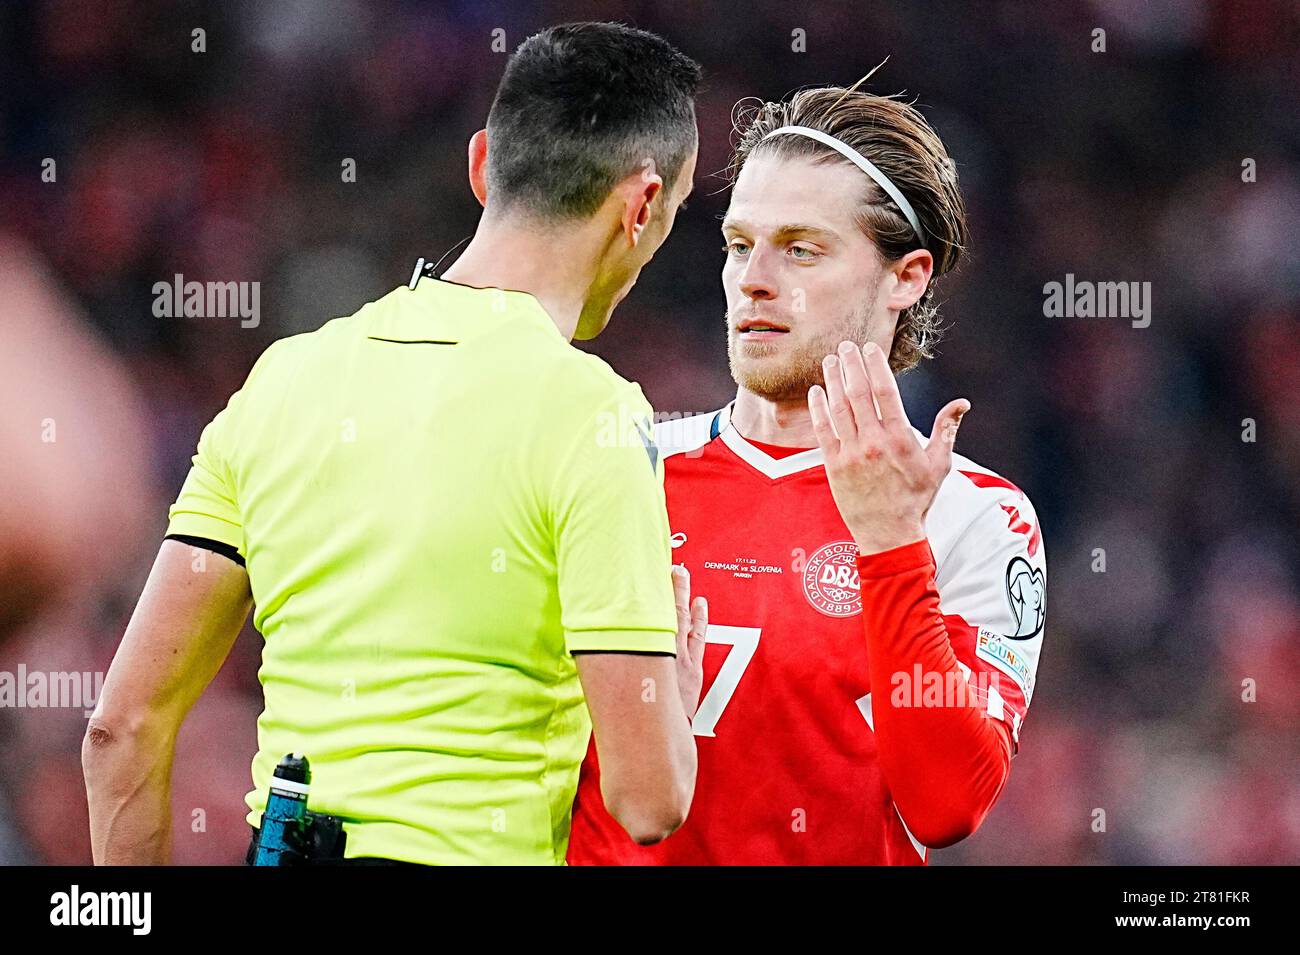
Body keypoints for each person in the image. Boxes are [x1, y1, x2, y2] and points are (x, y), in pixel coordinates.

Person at [83, 21, 707, 866]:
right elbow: (648, 799)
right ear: (640, 207)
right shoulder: (593, 416)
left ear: (482, 164)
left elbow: (121, 729)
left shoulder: (282, 382)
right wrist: (669, 705)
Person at [568, 84, 1047, 865]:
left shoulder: (975, 514)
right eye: (737, 244)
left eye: (800, 248)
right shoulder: (624, 466)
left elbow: (947, 803)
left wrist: (892, 542)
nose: (754, 278)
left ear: (907, 276)